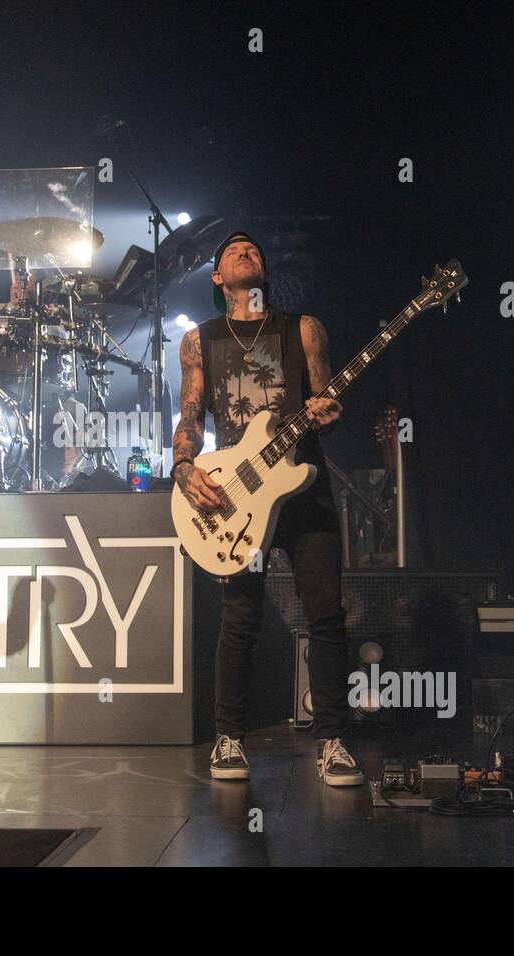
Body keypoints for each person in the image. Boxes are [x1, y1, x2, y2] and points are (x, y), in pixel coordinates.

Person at [171, 231, 363, 786]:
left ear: (265, 272)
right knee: (240, 617)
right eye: (232, 251)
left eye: (253, 248)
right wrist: (185, 470)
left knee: (325, 613)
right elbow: (190, 419)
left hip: (303, 488)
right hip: (238, 498)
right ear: (217, 278)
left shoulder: (303, 329)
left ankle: (333, 741)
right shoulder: (199, 341)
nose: (245, 251)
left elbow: (327, 400)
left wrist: (331, 412)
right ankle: (228, 738)